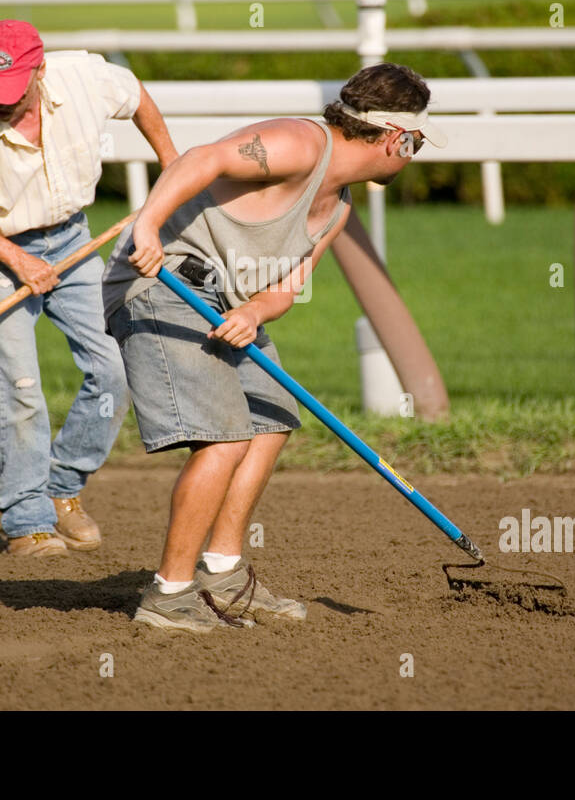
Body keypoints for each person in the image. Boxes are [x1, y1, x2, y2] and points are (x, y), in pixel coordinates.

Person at [103, 61, 445, 632]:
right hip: (163, 283)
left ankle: (223, 571)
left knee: (271, 415)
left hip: (228, 303)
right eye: (416, 142)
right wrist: (147, 226)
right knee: (224, 436)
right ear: (395, 138)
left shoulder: (337, 208)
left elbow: (287, 288)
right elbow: (201, 159)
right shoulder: (299, 144)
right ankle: (169, 593)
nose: (412, 155)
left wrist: (253, 312)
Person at [0, 20, 177, 558]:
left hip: (74, 239)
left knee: (113, 369)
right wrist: (19, 260)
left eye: (11, 93)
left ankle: (64, 485)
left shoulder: (83, 77)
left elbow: (137, 96)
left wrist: (172, 165)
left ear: (39, 72)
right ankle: (27, 521)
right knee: (20, 386)